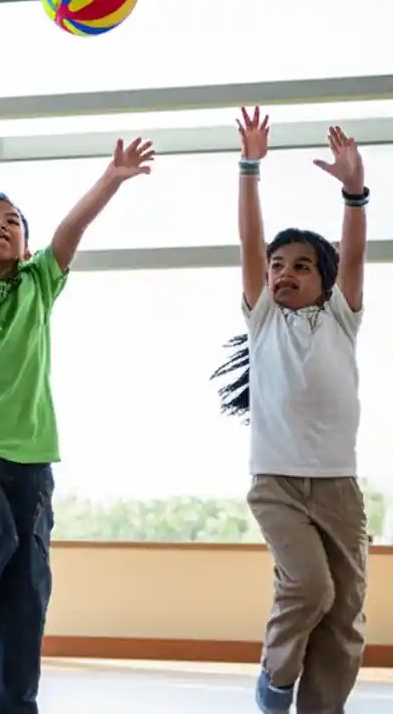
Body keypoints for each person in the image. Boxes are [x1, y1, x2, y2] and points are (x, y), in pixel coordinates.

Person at [0, 66, 153, 713]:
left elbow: (71, 231)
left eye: (12, 222)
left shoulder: (39, 285)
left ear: (27, 244)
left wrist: (110, 179)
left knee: (28, 592)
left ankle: (13, 703)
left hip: (32, 461)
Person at [211, 107, 370, 714]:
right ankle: (276, 681)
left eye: (301, 265)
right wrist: (250, 167)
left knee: (345, 613)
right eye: (278, 266)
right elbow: (251, 240)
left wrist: (355, 192)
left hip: (338, 488)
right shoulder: (263, 321)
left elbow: (352, 253)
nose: (284, 273)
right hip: (278, 483)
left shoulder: (341, 316)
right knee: (309, 586)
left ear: (325, 282)